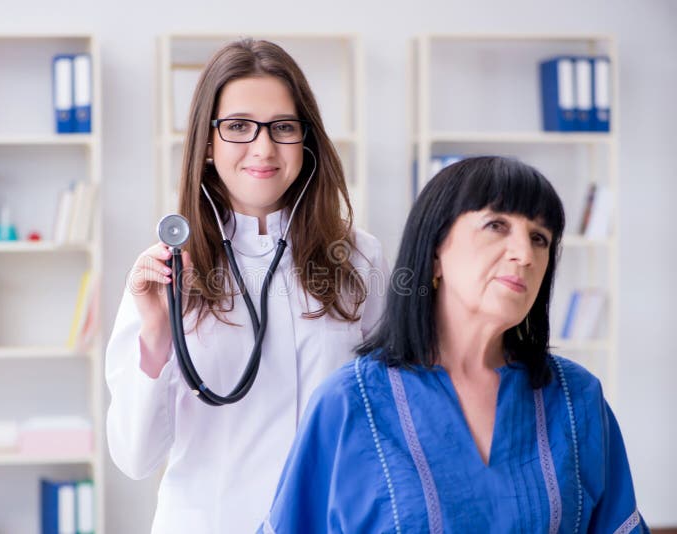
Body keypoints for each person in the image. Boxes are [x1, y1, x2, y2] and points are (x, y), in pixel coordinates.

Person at [262, 156, 649, 533]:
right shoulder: (347, 403)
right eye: (497, 225)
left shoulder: (577, 398)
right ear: (434, 254)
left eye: (540, 238)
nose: (524, 254)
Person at [105, 38, 388, 534]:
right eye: (238, 127)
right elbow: (134, 457)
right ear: (208, 144)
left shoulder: (360, 259)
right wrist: (155, 335)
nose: (263, 148)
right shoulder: (167, 270)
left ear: (307, 140)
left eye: (282, 127)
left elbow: (385, 417)